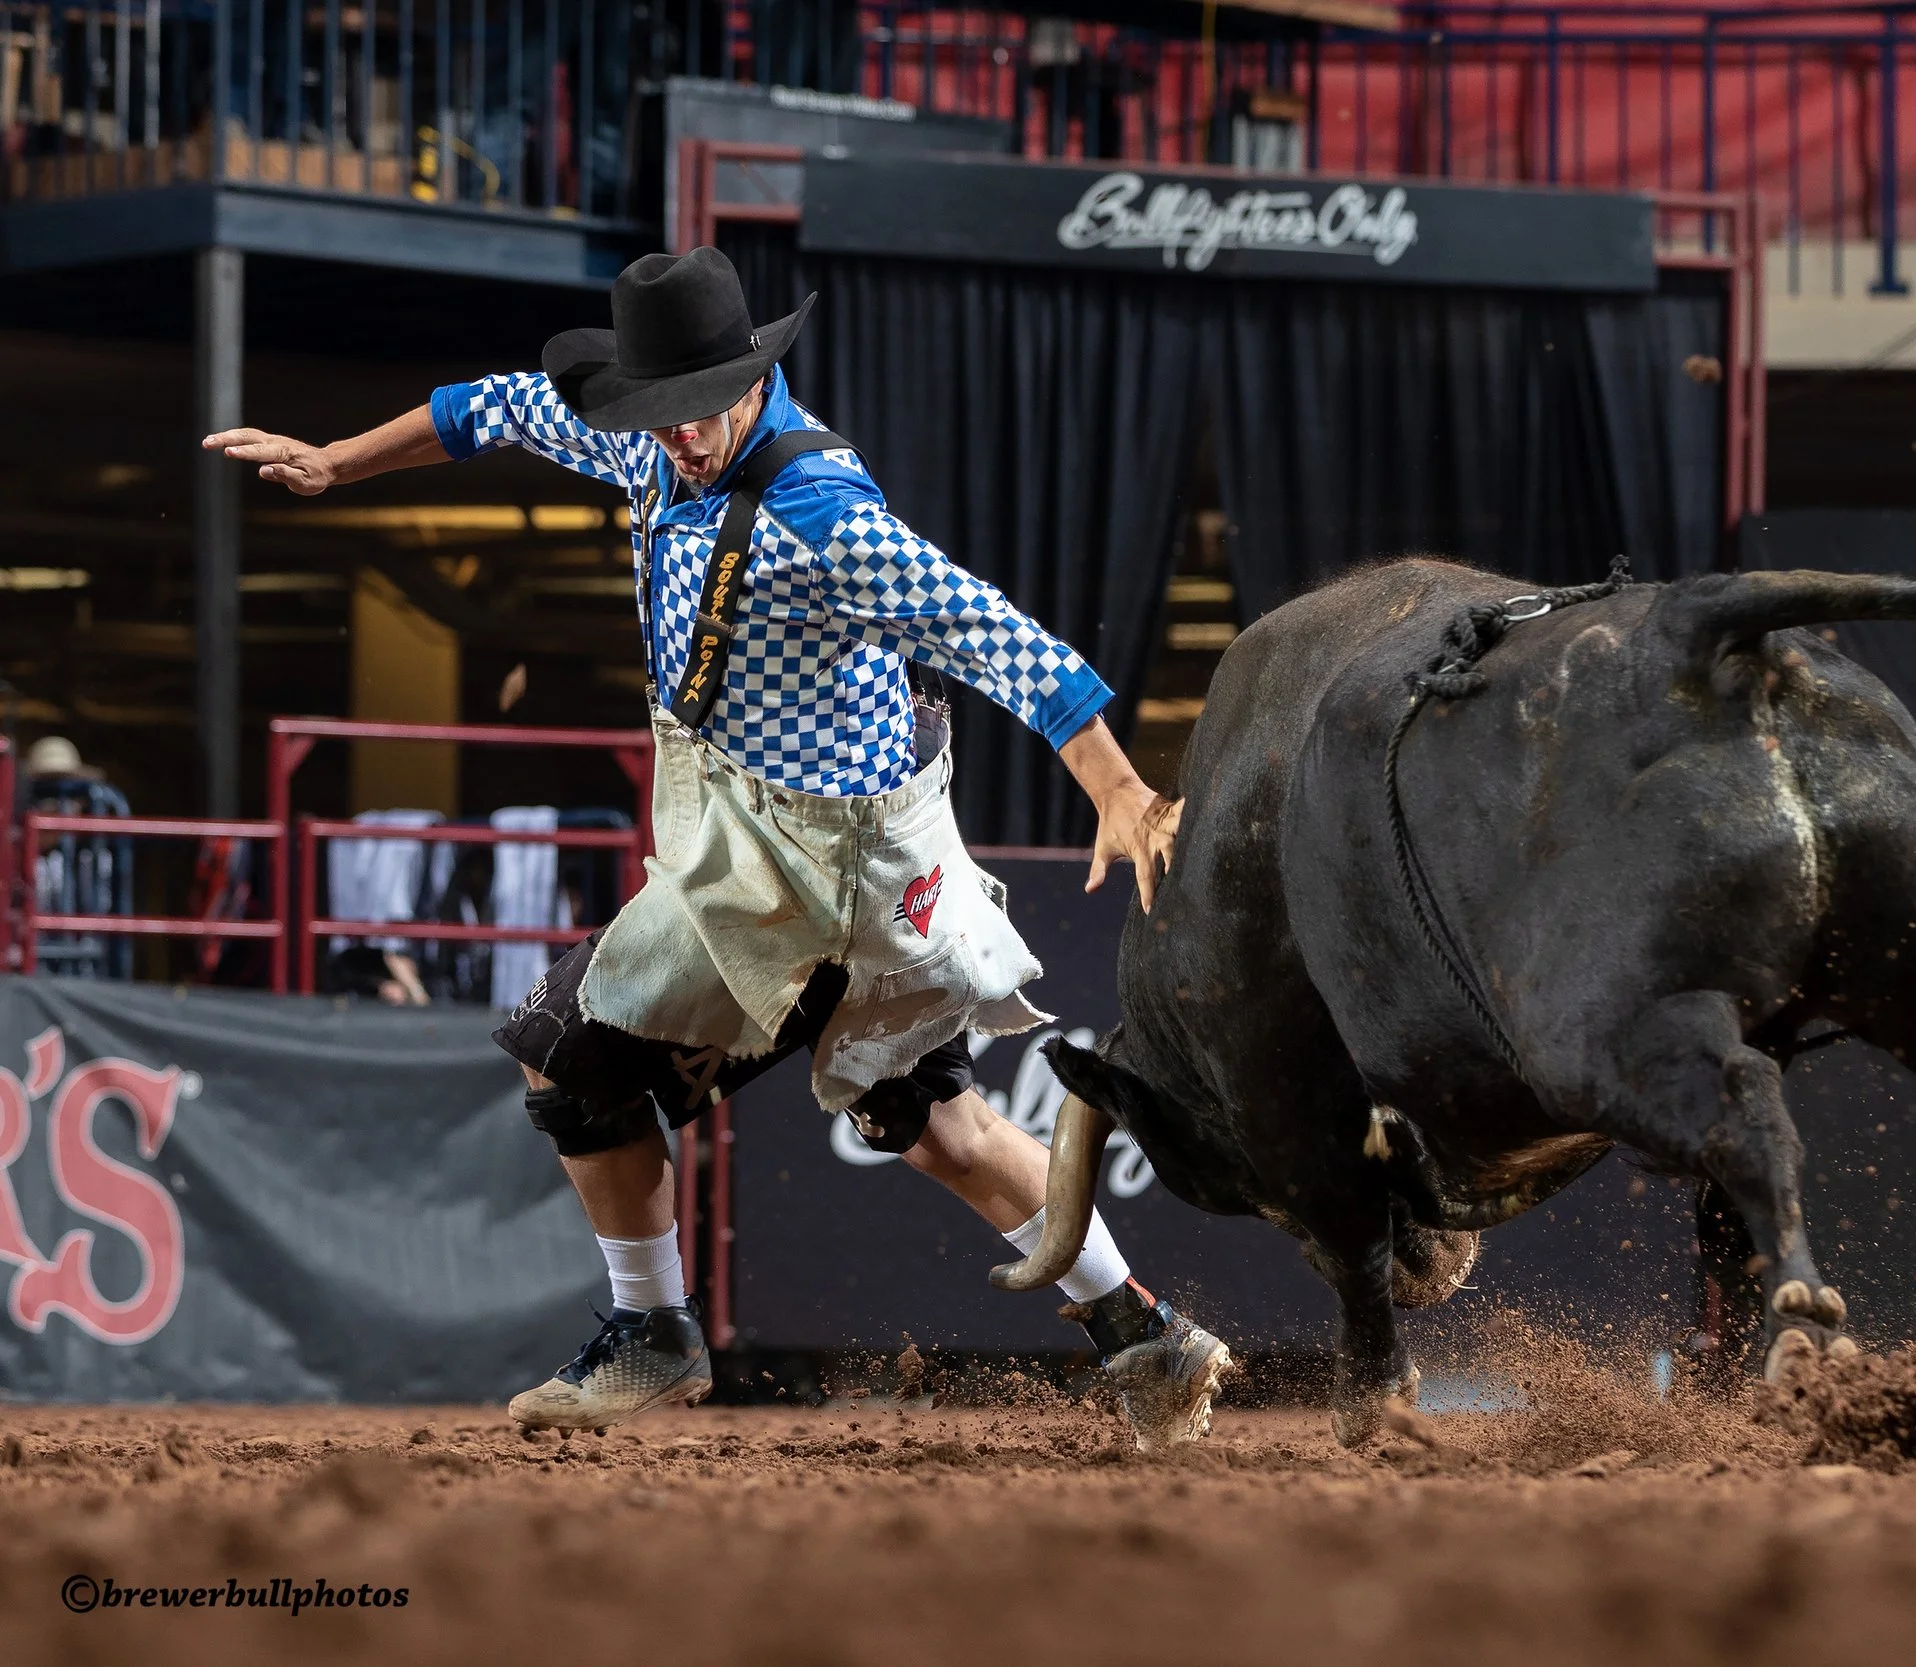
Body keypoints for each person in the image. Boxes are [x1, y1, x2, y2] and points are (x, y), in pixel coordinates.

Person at [203, 247, 1230, 1447]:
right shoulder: (641, 433)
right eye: (661, 412)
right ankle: (1146, 1335)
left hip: (816, 873)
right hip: (807, 850)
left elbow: (995, 633)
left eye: (703, 411)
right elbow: (481, 411)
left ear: (754, 380)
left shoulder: (825, 518)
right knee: (933, 1120)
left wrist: (1116, 784)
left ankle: (654, 1328)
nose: (682, 438)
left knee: (561, 1044)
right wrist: (336, 460)